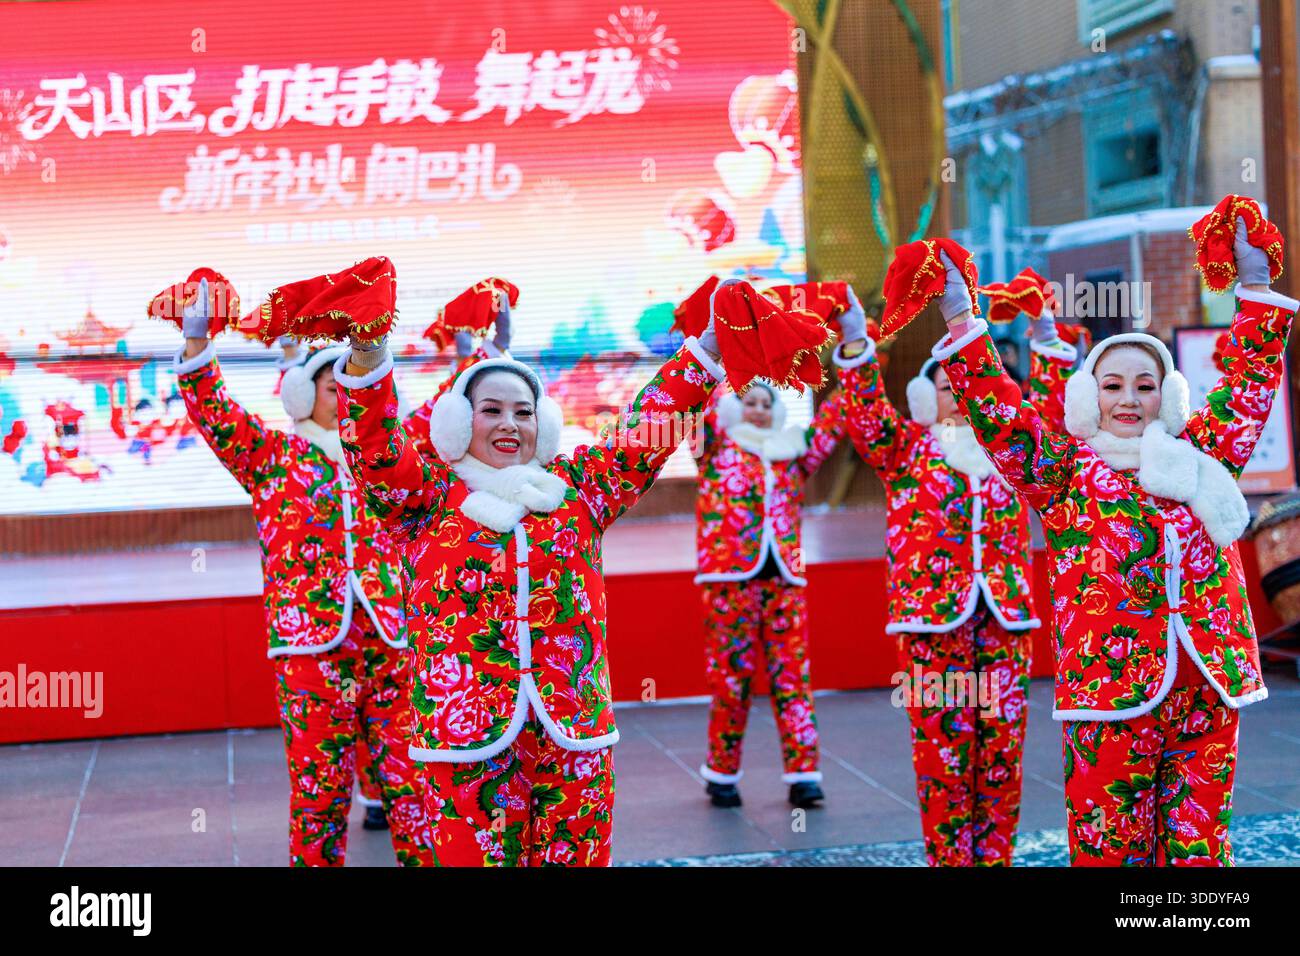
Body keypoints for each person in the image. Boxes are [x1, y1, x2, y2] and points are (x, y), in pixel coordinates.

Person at [922, 200, 1292, 865]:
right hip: (1109, 696)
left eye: (1145, 385)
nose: (1129, 398)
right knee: (1110, 854)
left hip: (1209, 685)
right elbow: (1003, 416)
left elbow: (1247, 385)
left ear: (1168, 396)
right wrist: (961, 322)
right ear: (1089, 400)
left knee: (1201, 852)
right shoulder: (1064, 470)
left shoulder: (1203, 453)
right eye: (1113, 384)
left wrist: (1256, 288)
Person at [331, 267, 728, 866]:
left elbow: (646, 432)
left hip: (575, 736)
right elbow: (377, 447)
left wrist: (708, 352)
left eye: (523, 411)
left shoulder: (578, 490)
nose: (510, 424)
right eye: (491, 410)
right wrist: (368, 354)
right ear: (459, 423)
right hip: (462, 741)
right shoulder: (426, 498)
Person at [169, 277, 432, 866]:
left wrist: (481, 351)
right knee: (320, 795)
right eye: (328, 382)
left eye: (349, 380)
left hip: (392, 640)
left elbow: (454, 409)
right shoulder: (273, 458)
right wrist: (196, 345)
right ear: (298, 393)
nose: (342, 391)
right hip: (310, 648)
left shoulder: (391, 454)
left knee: (414, 792)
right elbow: (214, 413)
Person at [830, 272, 1076, 866]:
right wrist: (857, 341)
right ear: (925, 397)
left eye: (964, 384)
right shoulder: (907, 449)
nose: (956, 394)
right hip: (930, 625)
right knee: (942, 754)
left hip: (1005, 619)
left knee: (1001, 752)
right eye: (944, 385)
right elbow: (864, 416)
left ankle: (995, 860)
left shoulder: (1013, 450)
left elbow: (1050, 407)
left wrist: (1044, 333)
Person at [691, 282, 859, 810]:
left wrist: (852, 354)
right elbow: (696, 404)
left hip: (783, 581)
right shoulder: (714, 449)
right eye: (750, 401)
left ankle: (804, 777)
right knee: (731, 683)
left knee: (792, 681)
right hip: (728, 583)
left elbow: (833, 422)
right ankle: (722, 774)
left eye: (767, 402)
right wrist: (726, 338)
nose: (759, 409)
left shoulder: (790, 457)